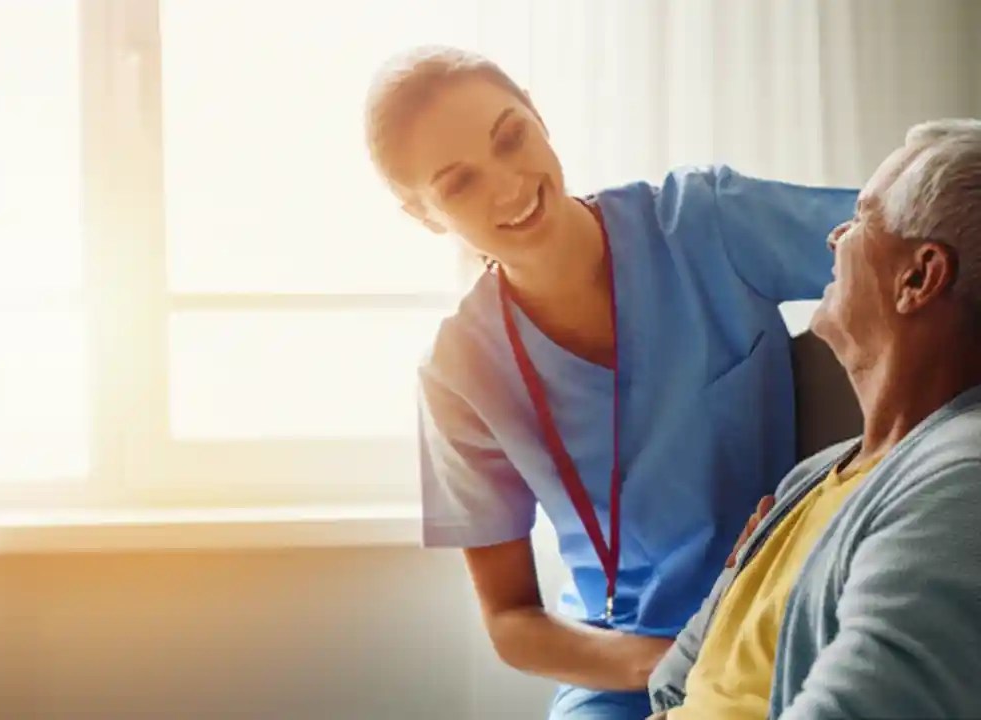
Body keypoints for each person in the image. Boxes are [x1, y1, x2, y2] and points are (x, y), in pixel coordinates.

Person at [363, 46, 857, 718]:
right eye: (458, 184)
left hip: (792, 618)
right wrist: (670, 663)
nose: (508, 185)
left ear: (537, 116)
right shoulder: (458, 374)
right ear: (424, 215)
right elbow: (512, 620)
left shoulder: (705, 224)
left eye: (510, 137)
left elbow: (906, 245)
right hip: (631, 665)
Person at [647, 119, 981, 720]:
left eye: (860, 217)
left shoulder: (962, 479)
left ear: (918, 277)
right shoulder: (815, 475)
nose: (834, 237)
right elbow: (678, 683)